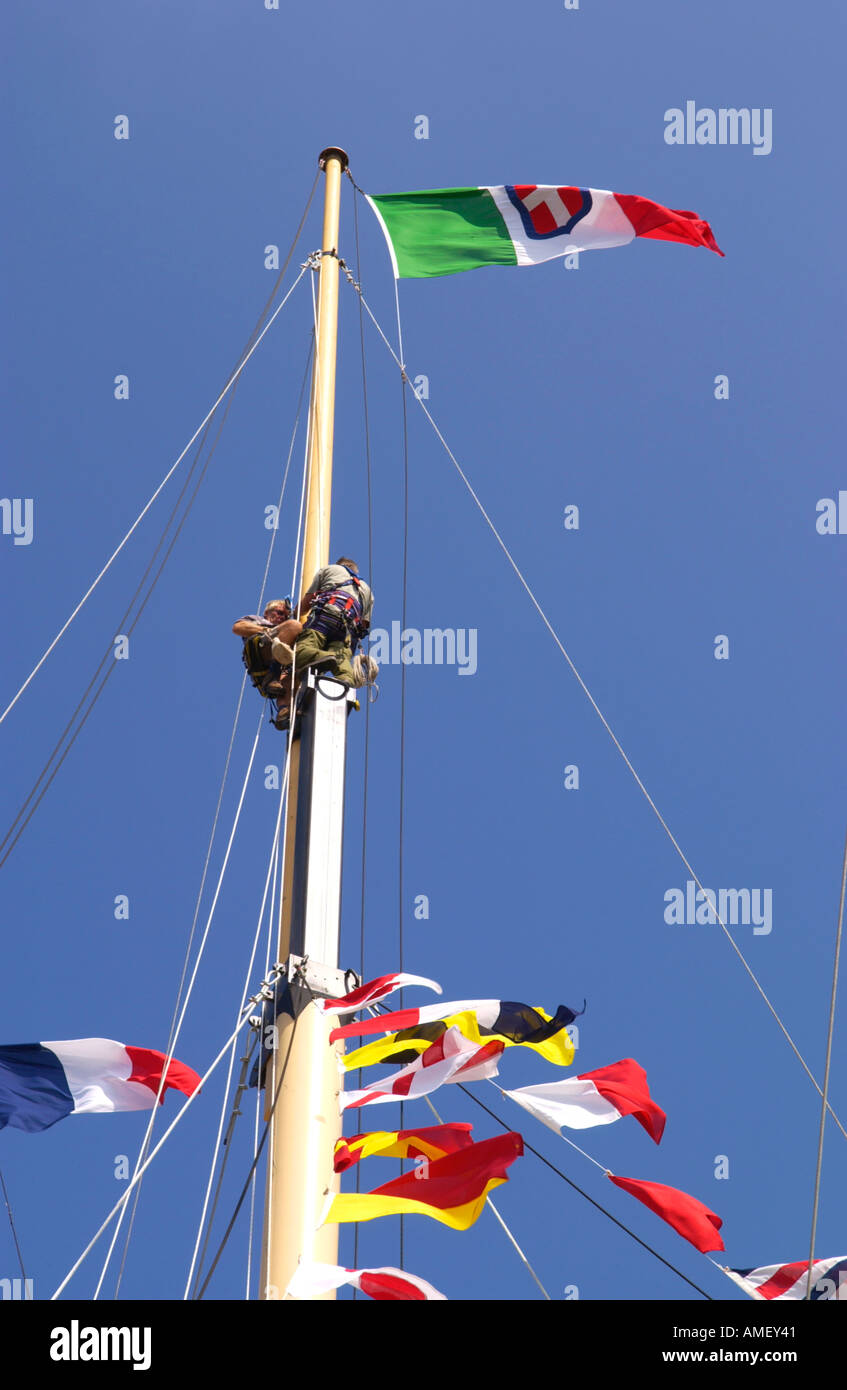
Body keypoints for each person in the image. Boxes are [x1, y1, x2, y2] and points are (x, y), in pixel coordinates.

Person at [294, 557, 373, 687]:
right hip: (348, 630)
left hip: (326, 616)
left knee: (299, 652)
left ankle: (328, 656)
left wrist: (294, 615)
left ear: (339, 565)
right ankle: (346, 682)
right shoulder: (367, 590)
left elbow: (304, 606)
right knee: (343, 666)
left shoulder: (330, 570)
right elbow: (364, 624)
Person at [232, 599, 303, 728]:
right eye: (280, 613)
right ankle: (273, 675)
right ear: (267, 613)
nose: (283, 617)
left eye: (286, 616)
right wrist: (266, 629)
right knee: (294, 626)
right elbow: (237, 627)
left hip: (281, 662)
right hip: (262, 650)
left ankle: (284, 712)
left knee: (293, 675)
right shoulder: (257, 620)